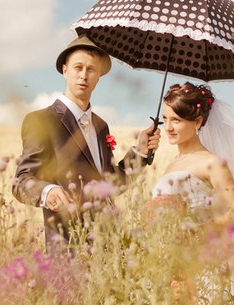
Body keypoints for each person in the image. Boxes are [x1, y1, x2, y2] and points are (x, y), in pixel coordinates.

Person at [13, 35, 160, 248]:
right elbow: (21, 181)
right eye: (78, 67)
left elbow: (110, 184)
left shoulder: (101, 126)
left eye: (91, 69)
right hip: (69, 248)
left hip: (110, 248)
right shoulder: (40, 120)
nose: (84, 75)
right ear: (65, 70)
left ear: (98, 76)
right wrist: (48, 191)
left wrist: (140, 152)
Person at [151, 82, 234, 222]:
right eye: (165, 118)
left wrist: (193, 231)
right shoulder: (171, 165)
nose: (168, 127)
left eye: (176, 120)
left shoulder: (212, 163)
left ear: (197, 122)